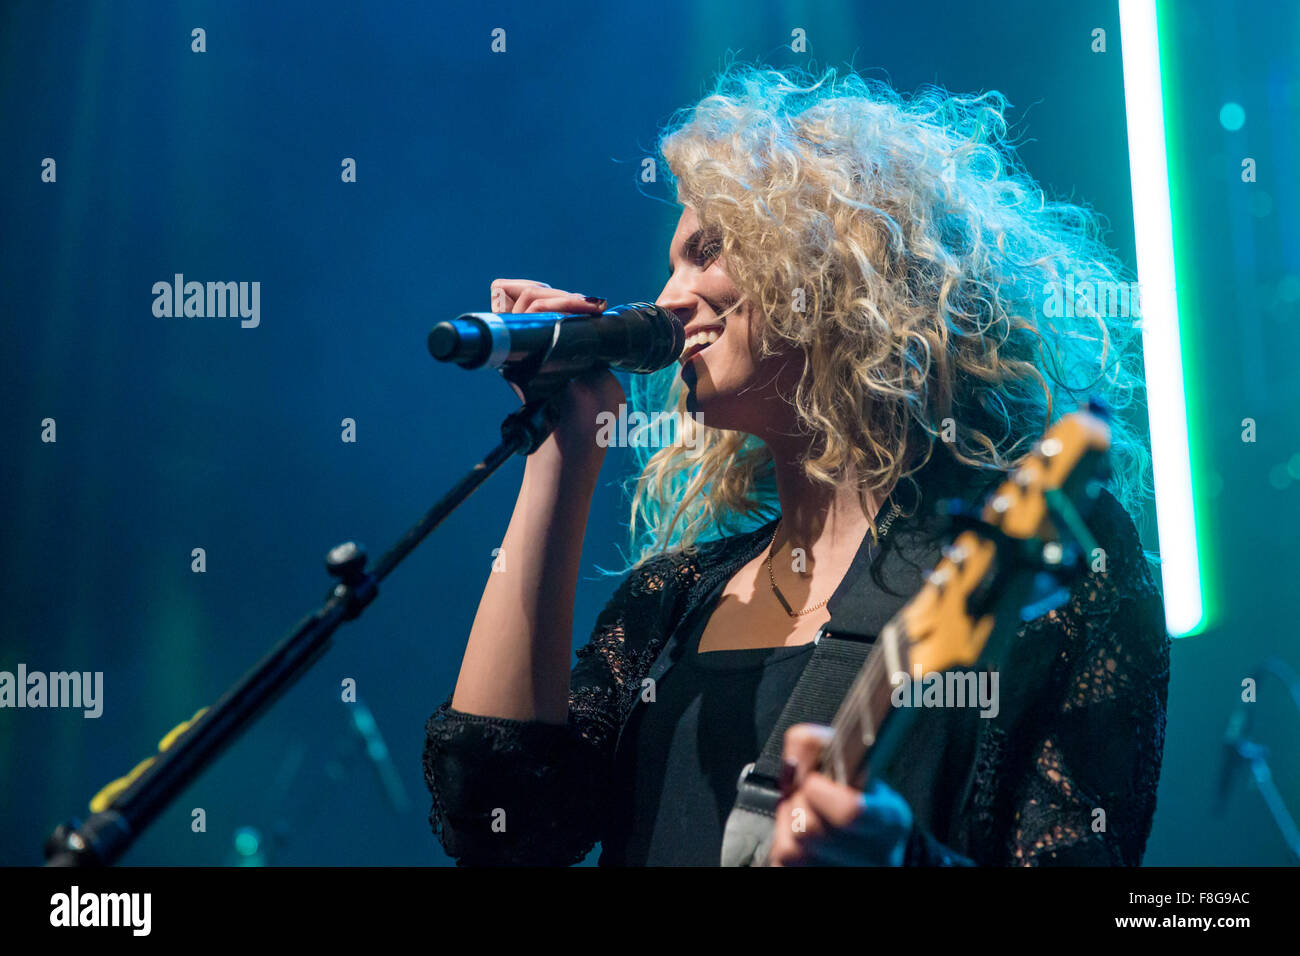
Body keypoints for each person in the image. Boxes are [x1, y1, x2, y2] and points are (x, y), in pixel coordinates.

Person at [422, 65, 1169, 866]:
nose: (668, 299)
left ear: (834, 267)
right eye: (671, 264)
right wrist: (563, 451)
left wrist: (902, 862)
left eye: (704, 253)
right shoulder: (670, 602)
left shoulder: (1022, 562)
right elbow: (495, 819)